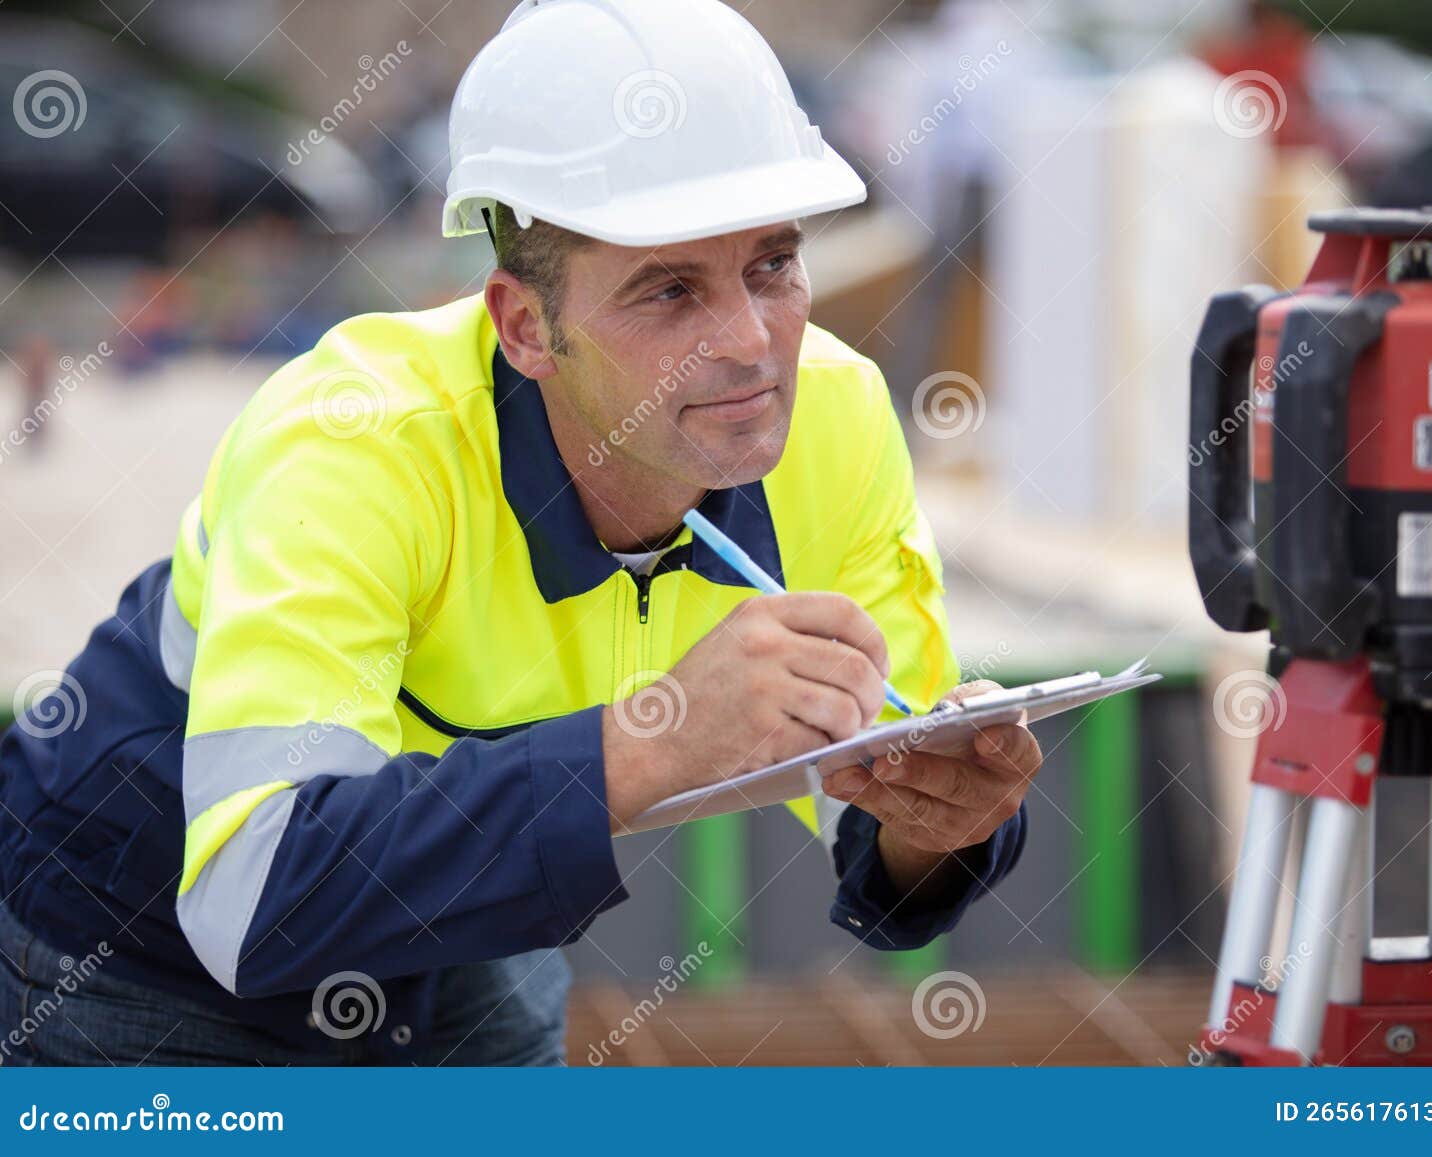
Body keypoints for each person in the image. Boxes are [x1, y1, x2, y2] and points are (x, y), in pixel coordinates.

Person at [0, 0, 1040, 1067]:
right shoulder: (357, 436)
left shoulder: (836, 414)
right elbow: (251, 895)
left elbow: (882, 803)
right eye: (669, 290)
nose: (750, 342)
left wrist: (935, 825)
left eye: (772, 265)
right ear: (525, 325)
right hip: (138, 935)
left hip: (455, 896)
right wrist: (657, 737)